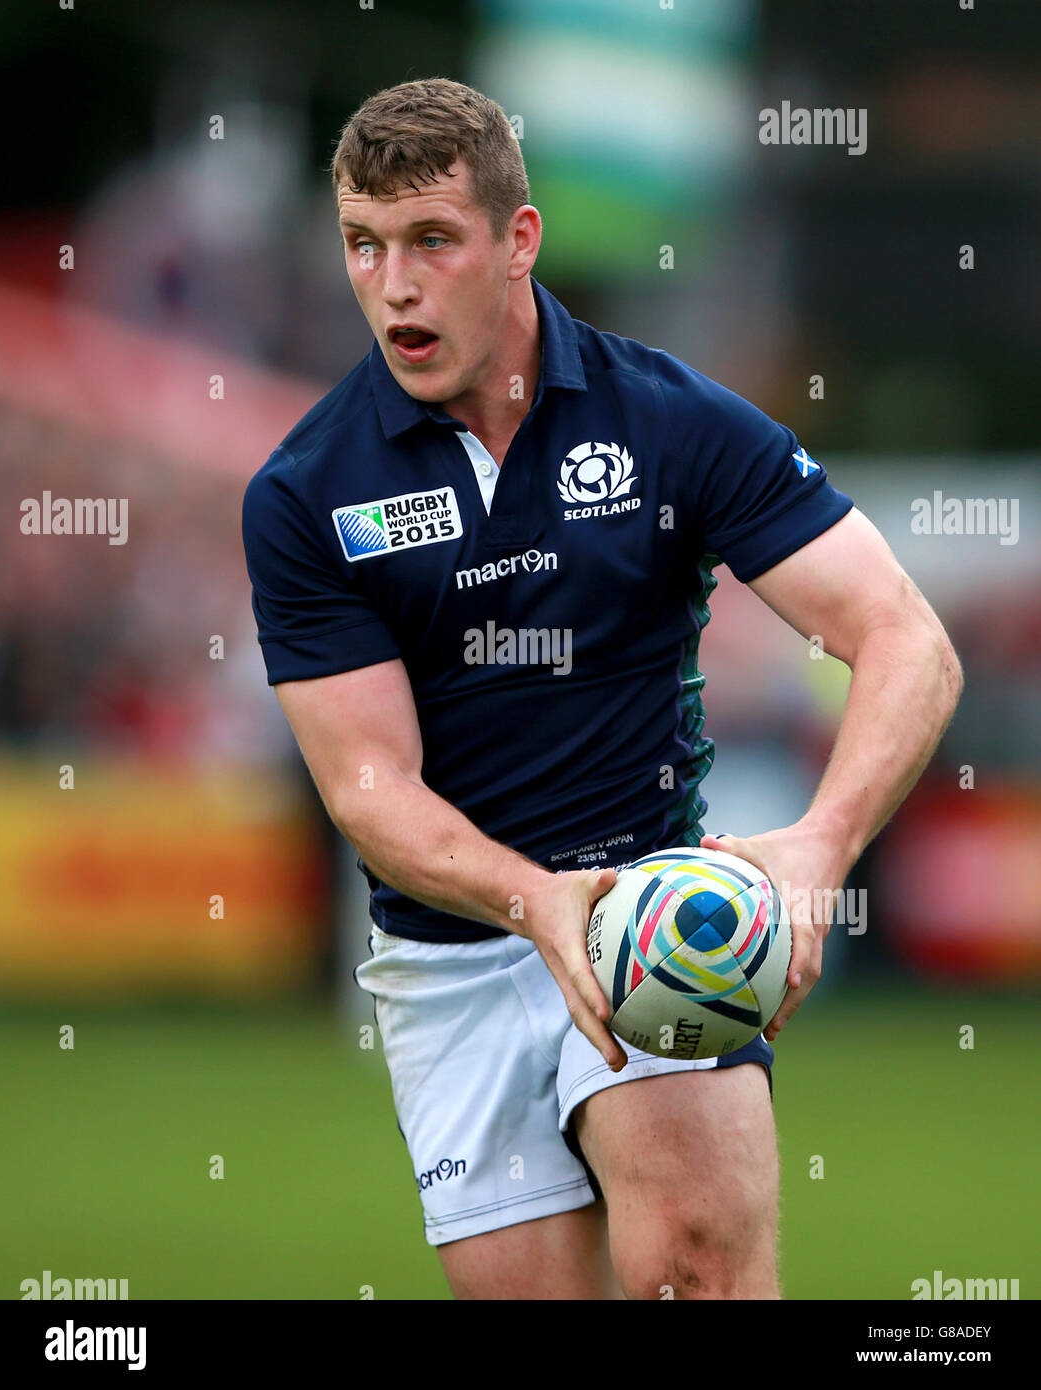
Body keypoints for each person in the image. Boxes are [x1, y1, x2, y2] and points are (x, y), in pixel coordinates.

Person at [241, 78, 962, 1299]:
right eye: (363, 245)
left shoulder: (669, 421)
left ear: (517, 242)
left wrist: (816, 847)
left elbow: (903, 637)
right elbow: (367, 785)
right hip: (450, 956)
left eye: (430, 240)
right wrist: (532, 903)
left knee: (694, 1268)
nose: (393, 284)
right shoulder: (306, 491)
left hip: (654, 916)